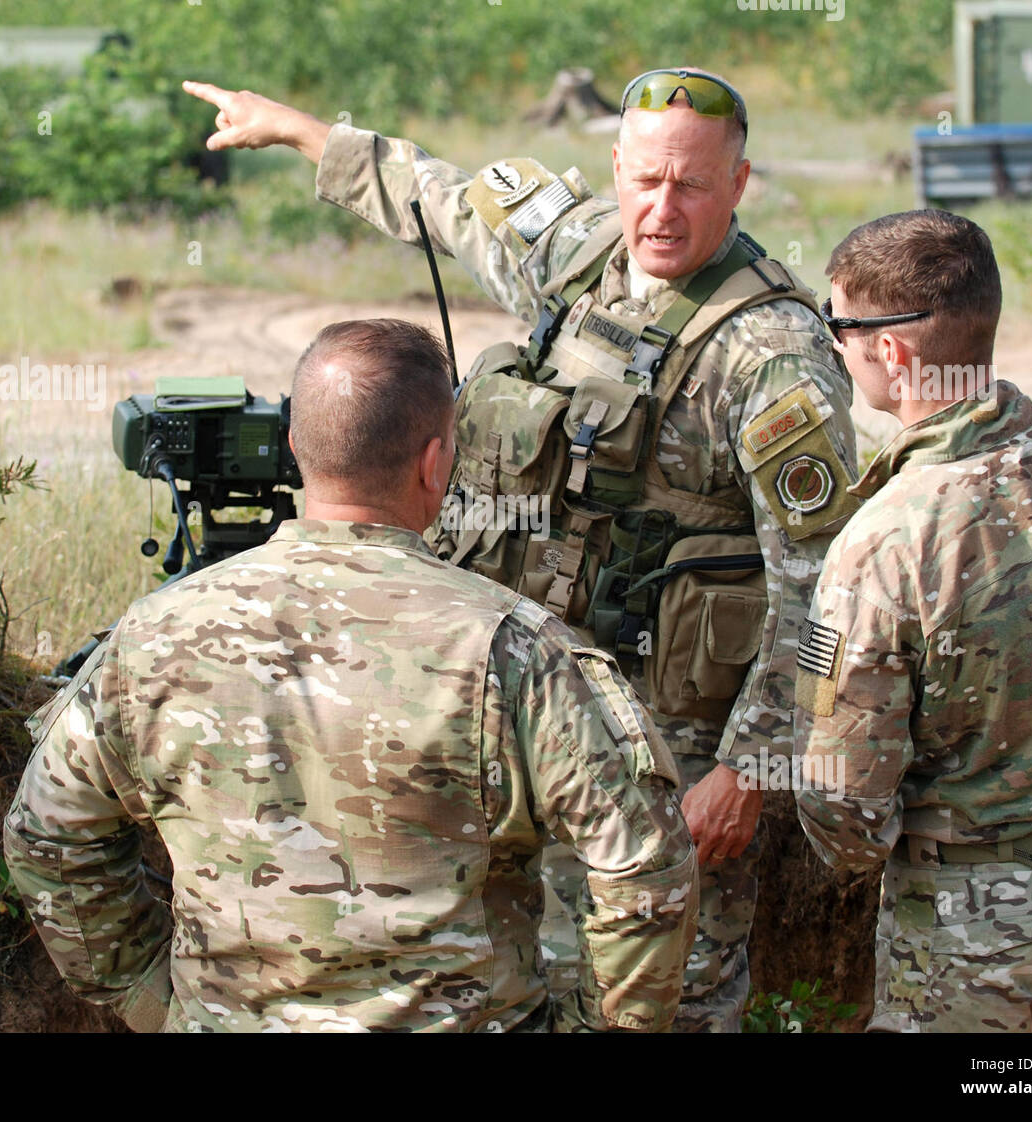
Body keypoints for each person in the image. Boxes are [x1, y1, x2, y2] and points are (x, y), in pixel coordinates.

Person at [182, 67, 860, 1031]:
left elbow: (827, 595)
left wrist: (749, 772)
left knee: (672, 995)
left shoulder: (773, 357)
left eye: (694, 186)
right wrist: (294, 131)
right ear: (615, 168)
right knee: (527, 978)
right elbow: (443, 199)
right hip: (526, 714)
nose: (663, 211)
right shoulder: (582, 256)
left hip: (672, 753)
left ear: (740, 184)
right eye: (646, 180)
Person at [4, 318, 697, 1033]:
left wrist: (154, 1001)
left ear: (298, 447)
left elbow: (49, 836)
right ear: (436, 464)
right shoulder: (515, 649)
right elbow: (646, 869)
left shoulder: (151, 635)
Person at [795, 209, 1032, 1032]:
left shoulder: (880, 542)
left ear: (892, 350)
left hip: (969, 941)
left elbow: (843, 810)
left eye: (838, 324)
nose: (835, 346)